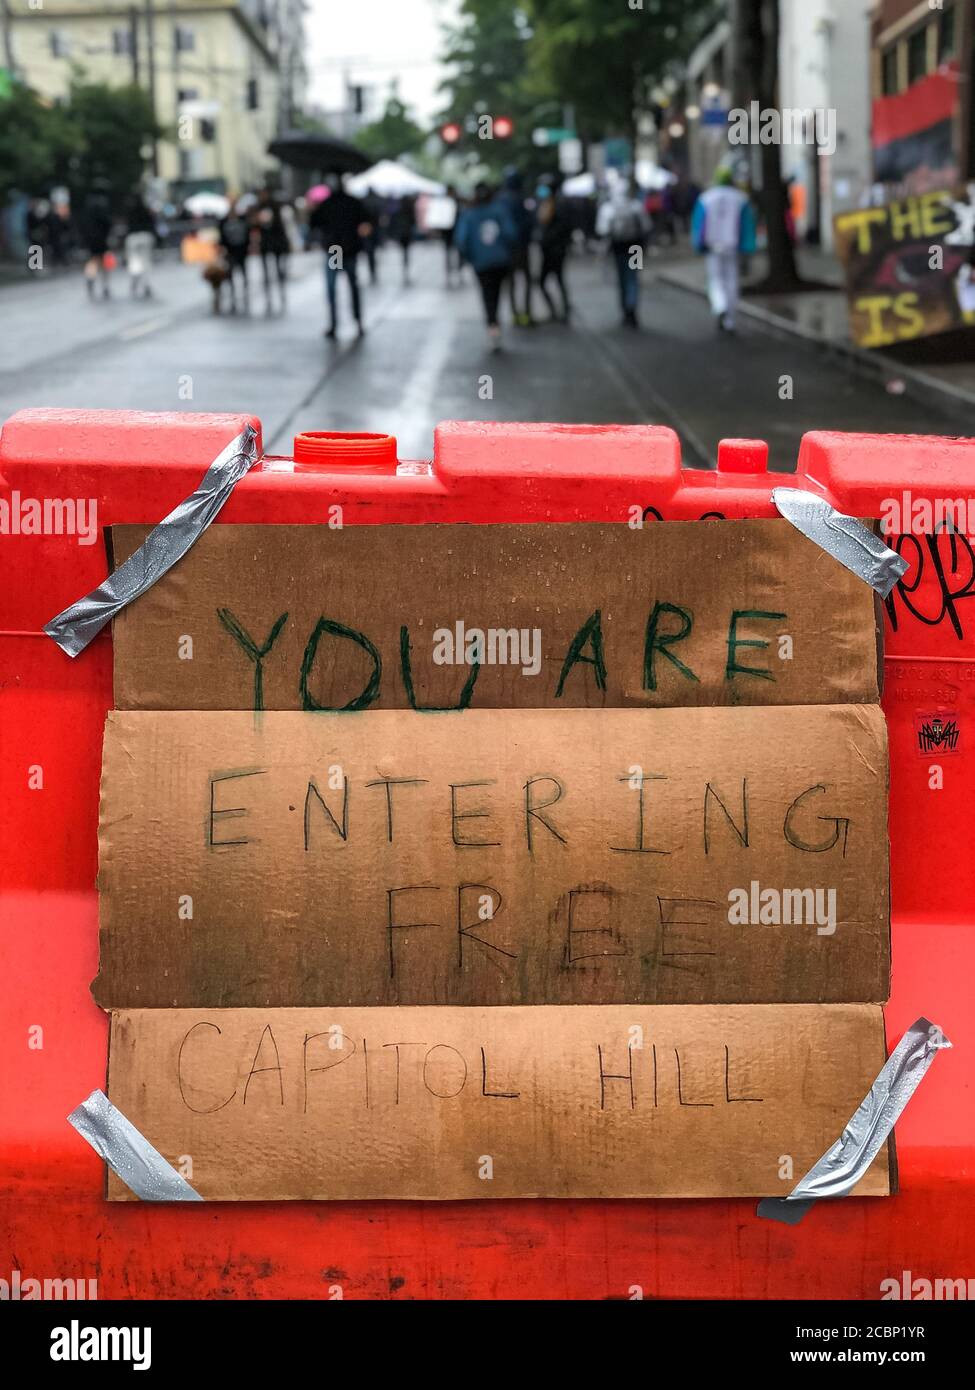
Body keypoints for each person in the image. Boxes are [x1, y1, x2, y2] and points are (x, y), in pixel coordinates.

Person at [691, 166, 757, 333]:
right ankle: (730, 320)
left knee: (716, 280)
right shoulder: (741, 199)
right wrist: (748, 246)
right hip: (732, 246)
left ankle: (720, 306)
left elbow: (699, 224)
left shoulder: (706, 198)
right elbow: (747, 226)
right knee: (731, 281)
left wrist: (699, 244)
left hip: (713, 247)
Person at [454, 181, 518, 351]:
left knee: (487, 295)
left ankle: (492, 325)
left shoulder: (469, 214)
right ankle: (494, 324)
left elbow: (462, 240)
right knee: (496, 294)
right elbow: (511, 234)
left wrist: (470, 257)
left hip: (482, 263)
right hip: (500, 261)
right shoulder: (499, 211)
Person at [309, 174, 370, 338]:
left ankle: (337, 323)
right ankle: (356, 322)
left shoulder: (328, 204)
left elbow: (314, 223)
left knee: (335, 288)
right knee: (350, 286)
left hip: (337, 248)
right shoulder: (351, 202)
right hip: (347, 248)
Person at [596, 178, 651, 327]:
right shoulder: (636, 206)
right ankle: (632, 308)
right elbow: (646, 227)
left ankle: (625, 310)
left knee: (621, 279)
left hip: (618, 247)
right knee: (633, 278)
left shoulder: (608, 208)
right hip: (636, 248)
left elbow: (602, 230)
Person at [498, 170, 534, 325]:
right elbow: (530, 222)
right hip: (521, 247)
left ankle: (516, 314)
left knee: (512, 282)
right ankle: (525, 314)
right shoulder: (522, 199)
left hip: (509, 248)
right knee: (525, 280)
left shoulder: (502, 200)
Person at [534, 184, 572, 321]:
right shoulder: (545, 205)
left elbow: (562, 228)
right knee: (556, 281)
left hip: (555, 250)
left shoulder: (558, 206)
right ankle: (560, 310)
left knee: (556, 281)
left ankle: (562, 311)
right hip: (550, 250)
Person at [254, 187, 289, 312]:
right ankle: (269, 297)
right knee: (266, 272)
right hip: (265, 243)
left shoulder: (275, 207)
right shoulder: (258, 207)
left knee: (279, 270)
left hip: (276, 243)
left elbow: (281, 225)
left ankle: (281, 294)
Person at [218, 196, 253, 313]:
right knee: (230, 275)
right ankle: (233, 296)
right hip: (230, 251)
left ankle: (245, 293)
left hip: (241, 250)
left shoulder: (242, 219)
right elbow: (221, 237)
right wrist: (222, 249)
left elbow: (248, 233)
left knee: (243, 273)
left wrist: (249, 246)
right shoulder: (224, 220)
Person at [80, 184, 114, 301]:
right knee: (104, 262)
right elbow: (107, 222)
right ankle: (105, 285)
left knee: (93, 260)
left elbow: (83, 224)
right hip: (101, 238)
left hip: (90, 238)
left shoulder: (87, 205)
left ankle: (90, 276)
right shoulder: (102, 204)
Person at [122, 194, 158, 299]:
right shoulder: (146, 210)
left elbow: (127, 226)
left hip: (132, 238)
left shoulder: (129, 211)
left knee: (134, 262)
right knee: (145, 262)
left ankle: (135, 282)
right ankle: (146, 284)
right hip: (145, 237)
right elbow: (152, 224)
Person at [425, 184, 460, 286]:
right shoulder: (446, 202)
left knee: (454, 252)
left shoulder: (453, 202)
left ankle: (455, 270)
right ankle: (450, 271)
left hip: (453, 230)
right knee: (449, 252)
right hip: (448, 231)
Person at [389, 194, 417, 284]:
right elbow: (413, 221)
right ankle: (405, 265)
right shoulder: (409, 211)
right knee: (406, 251)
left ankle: (405, 265)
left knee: (404, 251)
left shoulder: (398, 211)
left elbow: (394, 222)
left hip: (402, 234)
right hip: (407, 233)